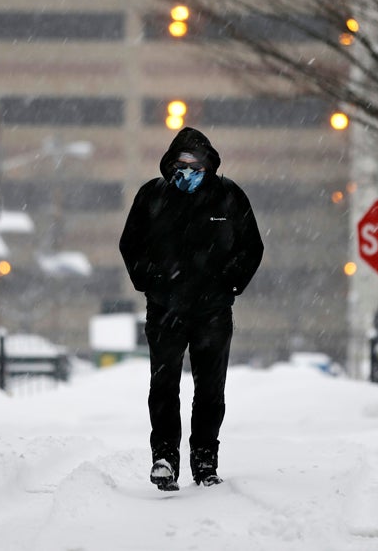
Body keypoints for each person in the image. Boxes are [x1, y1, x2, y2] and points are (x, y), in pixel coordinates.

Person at [119, 126, 264, 490]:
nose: (187, 170)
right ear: (170, 163)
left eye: (195, 164)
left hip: (212, 312)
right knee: (164, 386)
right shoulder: (152, 196)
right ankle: (165, 458)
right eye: (181, 163)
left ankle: (205, 461)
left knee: (210, 390)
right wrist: (151, 281)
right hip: (165, 310)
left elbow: (252, 247)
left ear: (208, 164)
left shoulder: (229, 197)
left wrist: (230, 282)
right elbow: (130, 245)